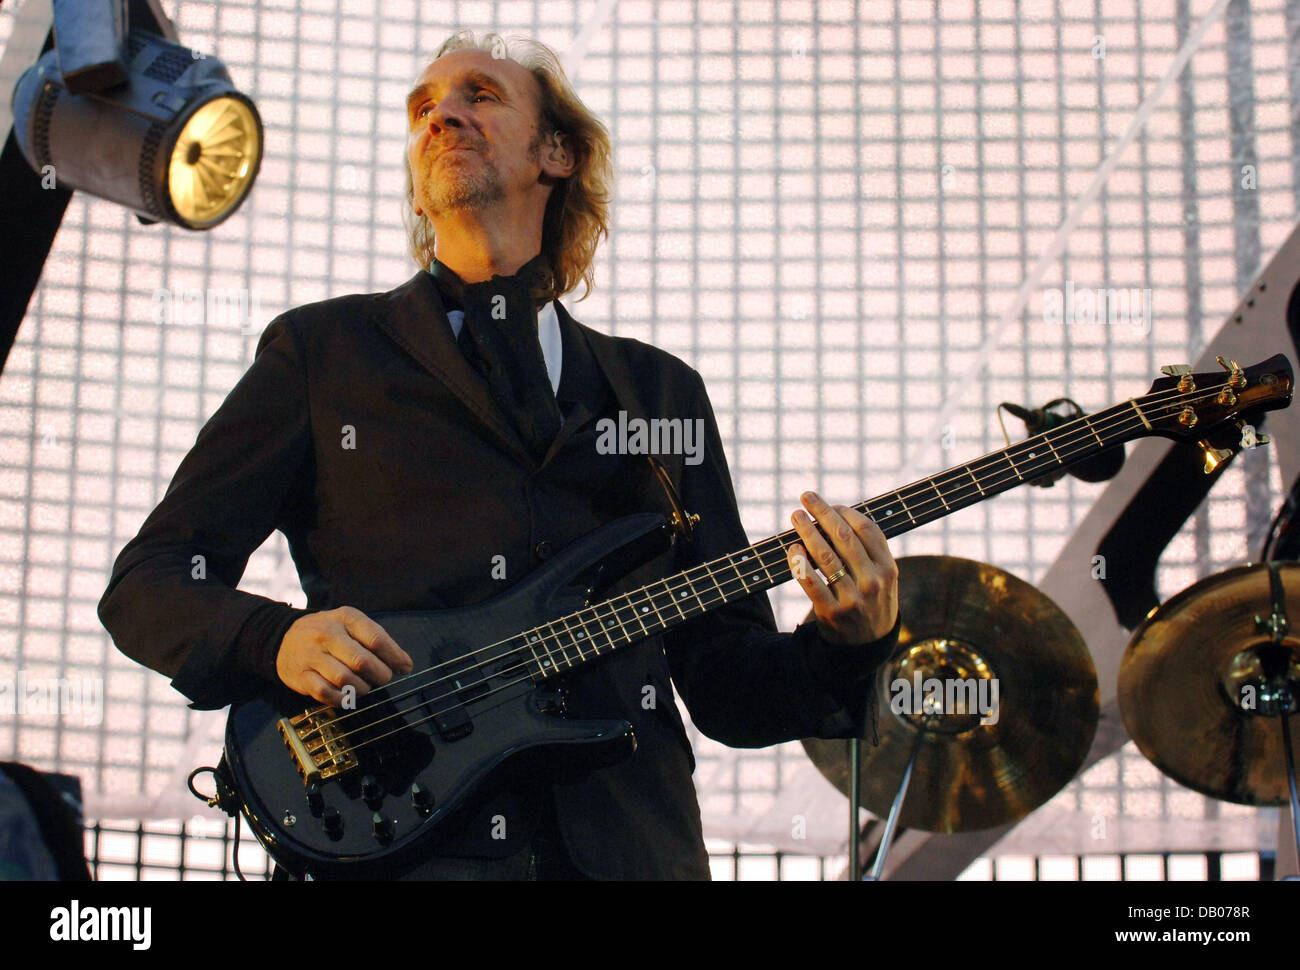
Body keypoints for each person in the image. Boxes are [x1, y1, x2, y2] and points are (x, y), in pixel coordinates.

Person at [98, 30, 901, 880]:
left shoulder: (660, 393)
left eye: (479, 95)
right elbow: (150, 581)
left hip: (630, 851)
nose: (442, 114)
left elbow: (729, 686)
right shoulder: (322, 352)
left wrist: (851, 642)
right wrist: (277, 639)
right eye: (422, 109)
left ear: (556, 153)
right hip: (397, 841)